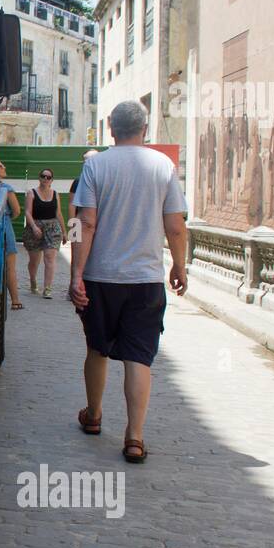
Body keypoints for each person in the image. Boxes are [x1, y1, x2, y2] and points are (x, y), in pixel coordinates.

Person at [69, 101, 188, 464]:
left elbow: (82, 223)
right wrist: (179, 265)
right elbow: (176, 225)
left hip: (101, 277)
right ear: (145, 127)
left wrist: (76, 274)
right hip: (146, 279)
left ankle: (93, 415)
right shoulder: (163, 167)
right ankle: (134, 437)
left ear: (109, 127)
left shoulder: (95, 166)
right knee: (139, 357)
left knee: (97, 348)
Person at [23, 167, 66, 298]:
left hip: (52, 227)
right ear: (39, 178)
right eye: (43, 176)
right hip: (35, 226)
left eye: (48, 177)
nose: (45, 179)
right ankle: (33, 280)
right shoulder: (31, 193)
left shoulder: (55, 194)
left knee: (49, 257)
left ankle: (47, 288)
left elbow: (58, 213)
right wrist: (34, 227)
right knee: (34, 261)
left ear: (52, 180)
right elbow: (27, 212)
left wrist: (64, 231)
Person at [0, 161, 25, 310]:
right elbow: (17, 210)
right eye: (0, 166)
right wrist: (6, 218)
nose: (4, 167)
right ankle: (15, 300)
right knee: (10, 266)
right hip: (4, 226)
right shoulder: (6, 189)